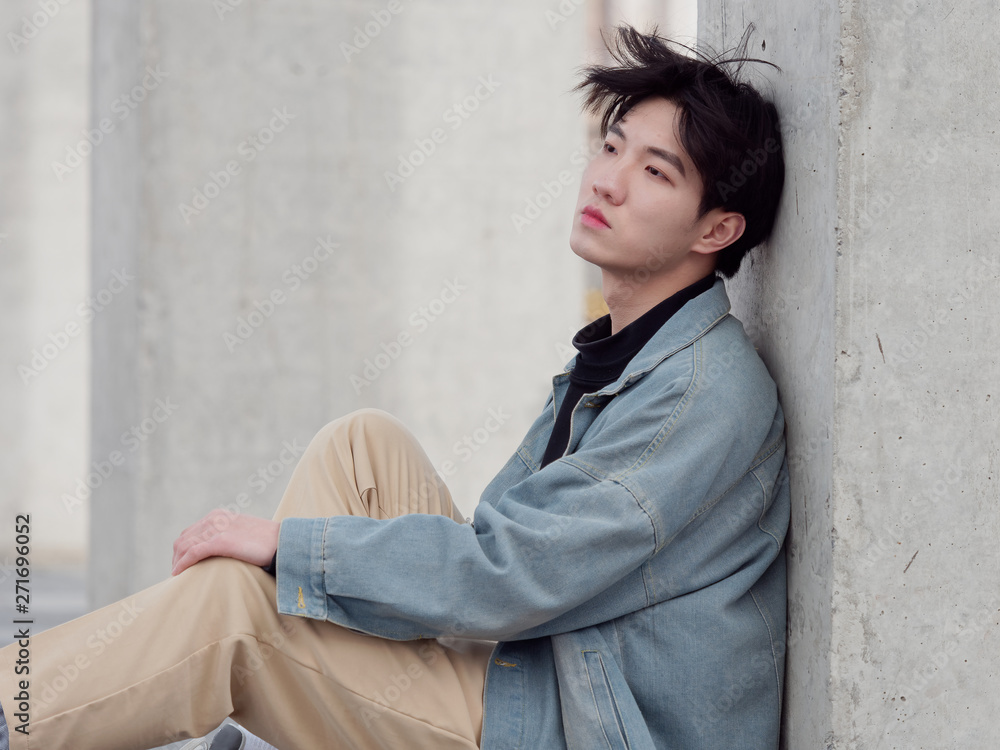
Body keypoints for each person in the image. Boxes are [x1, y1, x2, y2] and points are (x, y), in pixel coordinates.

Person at [0, 22, 789, 750]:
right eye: (612, 146)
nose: (609, 181)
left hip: (583, 726)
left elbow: (512, 574)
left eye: (654, 172)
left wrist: (289, 548)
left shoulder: (697, 395)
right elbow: (508, 556)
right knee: (361, 449)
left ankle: (12, 714)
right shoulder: (628, 350)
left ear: (716, 229)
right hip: (548, 668)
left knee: (237, 608)